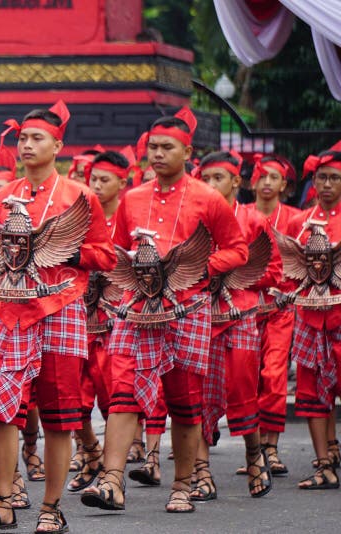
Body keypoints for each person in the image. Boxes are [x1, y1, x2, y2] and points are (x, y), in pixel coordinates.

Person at [80, 108, 248, 514]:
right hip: (135, 309)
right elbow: (116, 248)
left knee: (184, 398)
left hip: (186, 308)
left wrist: (195, 269)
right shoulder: (133, 198)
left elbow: (238, 250)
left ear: (187, 151)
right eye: (152, 146)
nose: (157, 153)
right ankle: (112, 482)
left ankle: (183, 485)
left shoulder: (208, 199)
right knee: (122, 393)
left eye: (166, 147)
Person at [0, 101, 116, 533]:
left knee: (59, 414)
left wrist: (68, 253)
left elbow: (106, 255)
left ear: (58, 145)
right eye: (23, 138)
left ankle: (51, 508)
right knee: (0, 411)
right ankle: (2, 503)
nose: (28, 145)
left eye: (37, 138)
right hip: (11, 312)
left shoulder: (80, 196)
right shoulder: (3, 195)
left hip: (62, 308)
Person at [196, 150, 281, 500]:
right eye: (206, 178)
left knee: (243, 387)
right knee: (198, 392)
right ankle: (200, 471)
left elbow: (274, 271)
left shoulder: (253, 220)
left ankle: (253, 452)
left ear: (236, 182)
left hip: (239, 316)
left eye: (219, 177)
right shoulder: (192, 222)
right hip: (199, 315)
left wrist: (235, 276)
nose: (212, 185)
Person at [67, 150, 129, 493]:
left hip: (113, 323)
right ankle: (90, 451)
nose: (96, 185)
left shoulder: (127, 217)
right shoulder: (79, 218)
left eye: (104, 180)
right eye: (94, 179)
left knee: (112, 397)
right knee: (73, 399)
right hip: (78, 320)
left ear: (122, 182)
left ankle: (110, 465)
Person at [286, 144, 341, 491]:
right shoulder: (298, 221)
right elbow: (285, 270)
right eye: (322, 177)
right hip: (308, 318)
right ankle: (323, 464)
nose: (327, 185)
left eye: (335, 178)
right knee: (311, 391)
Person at [243, 155, 301, 476]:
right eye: (261, 176)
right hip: (248, 308)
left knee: (275, 375)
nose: (266, 182)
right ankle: (253, 452)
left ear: (284, 185)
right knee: (248, 379)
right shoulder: (239, 215)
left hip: (280, 308)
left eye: (273, 177)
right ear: (252, 182)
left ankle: (271, 447)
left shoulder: (293, 218)